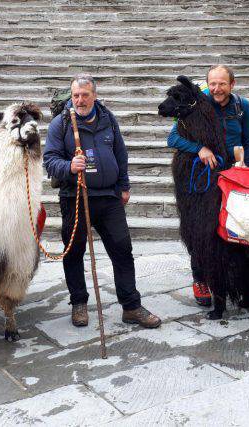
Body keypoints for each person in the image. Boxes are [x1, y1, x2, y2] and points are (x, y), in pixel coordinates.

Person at [166, 65, 249, 307]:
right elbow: (172, 138)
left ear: (232, 84)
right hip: (205, 176)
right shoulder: (197, 104)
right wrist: (200, 148)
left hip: (235, 172)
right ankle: (201, 279)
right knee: (202, 227)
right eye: (213, 84)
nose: (217, 89)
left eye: (222, 84)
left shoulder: (241, 106)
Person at [44, 73, 161, 329]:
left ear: (94, 96)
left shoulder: (108, 119)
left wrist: (124, 185)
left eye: (85, 95)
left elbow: (120, 153)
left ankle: (131, 306)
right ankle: (78, 303)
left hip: (108, 196)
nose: (80, 100)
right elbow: (50, 161)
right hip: (75, 197)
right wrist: (69, 166)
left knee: (122, 249)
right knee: (74, 252)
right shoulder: (61, 123)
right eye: (76, 95)